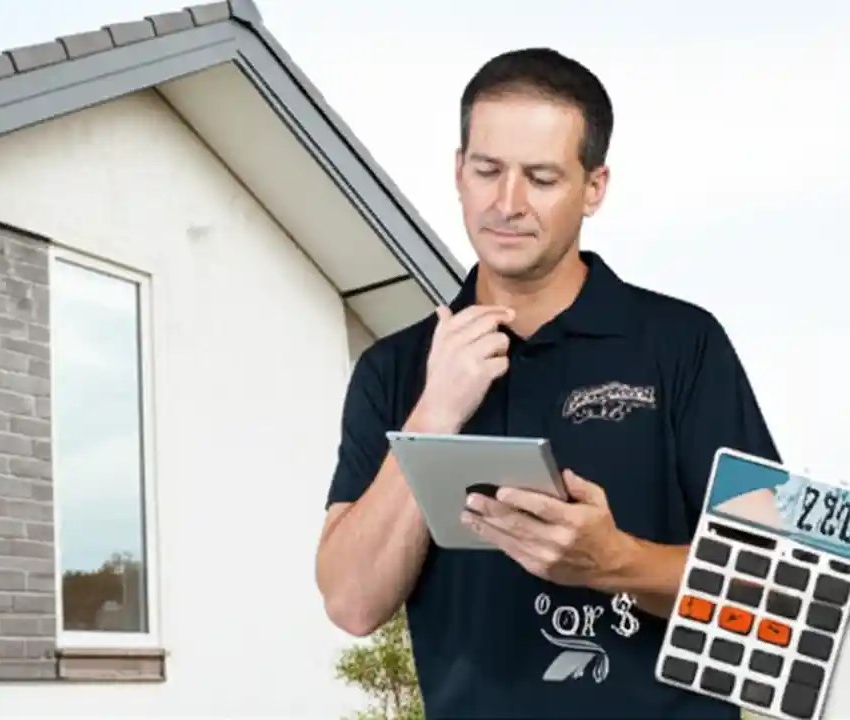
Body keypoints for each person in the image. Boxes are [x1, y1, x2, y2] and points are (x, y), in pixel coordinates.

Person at [315, 47, 782, 719]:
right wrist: (433, 413)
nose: (507, 204)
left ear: (594, 187)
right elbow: (351, 603)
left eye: (540, 177)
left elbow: (778, 592)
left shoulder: (686, 343)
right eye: (487, 171)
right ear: (457, 171)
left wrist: (612, 560)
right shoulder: (393, 370)